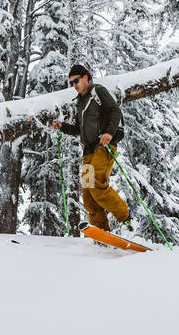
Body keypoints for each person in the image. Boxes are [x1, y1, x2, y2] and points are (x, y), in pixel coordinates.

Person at [51, 62, 130, 232]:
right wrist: (62, 126)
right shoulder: (80, 102)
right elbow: (79, 129)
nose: (74, 85)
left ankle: (127, 219)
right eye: (71, 83)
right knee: (87, 196)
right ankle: (102, 232)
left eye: (76, 81)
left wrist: (109, 133)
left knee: (95, 183)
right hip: (88, 152)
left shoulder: (97, 91)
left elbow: (115, 111)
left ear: (86, 78)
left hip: (103, 146)